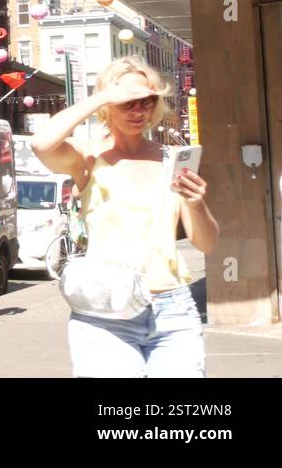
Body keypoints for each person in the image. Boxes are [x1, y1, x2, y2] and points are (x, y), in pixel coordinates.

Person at [31, 55, 217, 378]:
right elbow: (41, 143)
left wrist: (197, 203)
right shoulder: (88, 156)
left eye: (146, 101)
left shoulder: (171, 159)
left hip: (172, 308)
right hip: (106, 310)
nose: (138, 111)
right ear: (109, 104)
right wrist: (103, 95)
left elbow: (208, 242)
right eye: (128, 102)